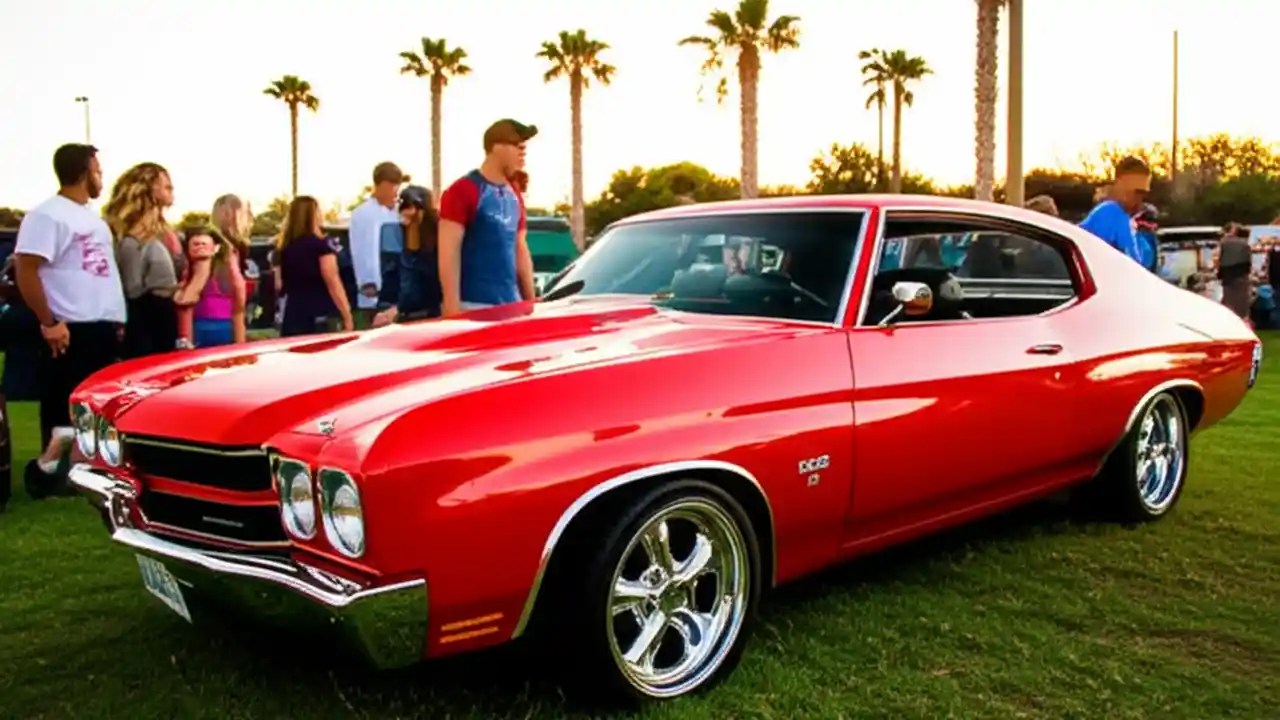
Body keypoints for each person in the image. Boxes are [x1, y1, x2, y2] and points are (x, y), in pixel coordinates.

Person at [13, 143, 126, 497]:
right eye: (98, 170)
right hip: (69, 325)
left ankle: (84, 471)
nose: (101, 177)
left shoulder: (92, 218)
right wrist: (48, 321)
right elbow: (26, 269)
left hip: (100, 325)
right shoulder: (48, 215)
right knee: (64, 402)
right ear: (83, 172)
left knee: (95, 408)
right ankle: (49, 475)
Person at [437, 119, 538, 316]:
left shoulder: (514, 195)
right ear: (496, 147)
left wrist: (530, 302)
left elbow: (520, 249)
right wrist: (452, 308)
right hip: (474, 306)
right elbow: (449, 254)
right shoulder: (463, 190)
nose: (522, 153)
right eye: (517, 145)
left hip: (512, 306)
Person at [103, 161, 181, 358]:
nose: (171, 188)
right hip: (142, 319)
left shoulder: (164, 230)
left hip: (167, 314)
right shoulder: (126, 233)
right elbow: (131, 287)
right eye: (165, 183)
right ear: (145, 186)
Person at [277, 196, 353, 336]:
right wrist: (346, 314)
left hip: (293, 312)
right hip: (319, 312)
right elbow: (333, 281)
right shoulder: (321, 246)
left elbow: (280, 283)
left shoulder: (285, 248)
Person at [372, 185, 443, 326]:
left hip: (427, 315)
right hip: (400, 312)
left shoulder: (437, 241)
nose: (405, 212)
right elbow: (391, 279)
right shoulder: (396, 237)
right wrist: (386, 309)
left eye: (410, 207)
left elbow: (429, 287)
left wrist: (399, 309)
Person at [349, 162, 404, 324]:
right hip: (373, 290)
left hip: (397, 286)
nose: (394, 190)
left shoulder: (399, 212)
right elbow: (361, 250)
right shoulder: (363, 213)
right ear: (379, 184)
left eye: (397, 186)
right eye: (391, 185)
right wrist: (367, 281)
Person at [1078, 157, 1151, 265]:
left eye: (1143, 194)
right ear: (1119, 184)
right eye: (1137, 192)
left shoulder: (1115, 215)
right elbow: (1133, 267)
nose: (1140, 199)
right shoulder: (1111, 215)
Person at [1217, 223, 1253, 320]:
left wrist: (1220, 274)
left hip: (1227, 276)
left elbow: (1220, 259)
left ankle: (1229, 318)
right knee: (1241, 301)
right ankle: (1242, 318)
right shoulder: (1245, 245)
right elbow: (1248, 262)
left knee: (1229, 299)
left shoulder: (1224, 242)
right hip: (1241, 275)